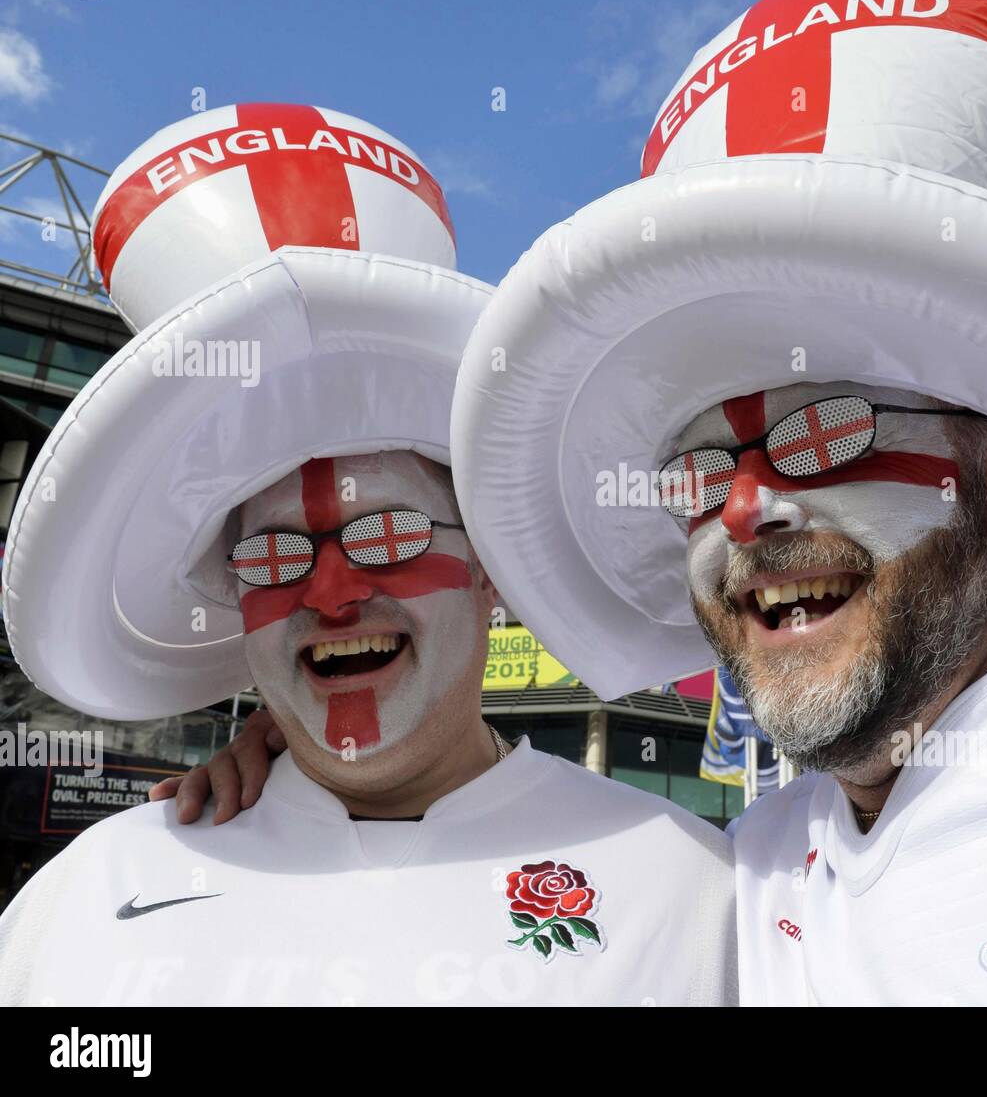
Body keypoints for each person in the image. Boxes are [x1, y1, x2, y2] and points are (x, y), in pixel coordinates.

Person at [442, 0, 987, 1005]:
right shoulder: (733, 878)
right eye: (703, 476)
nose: (745, 515)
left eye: (826, 434)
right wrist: (293, 778)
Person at [0, 105, 734, 1006]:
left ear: (491, 568)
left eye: (389, 534)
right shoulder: (84, 897)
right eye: (273, 555)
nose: (332, 593)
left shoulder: (697, 887)